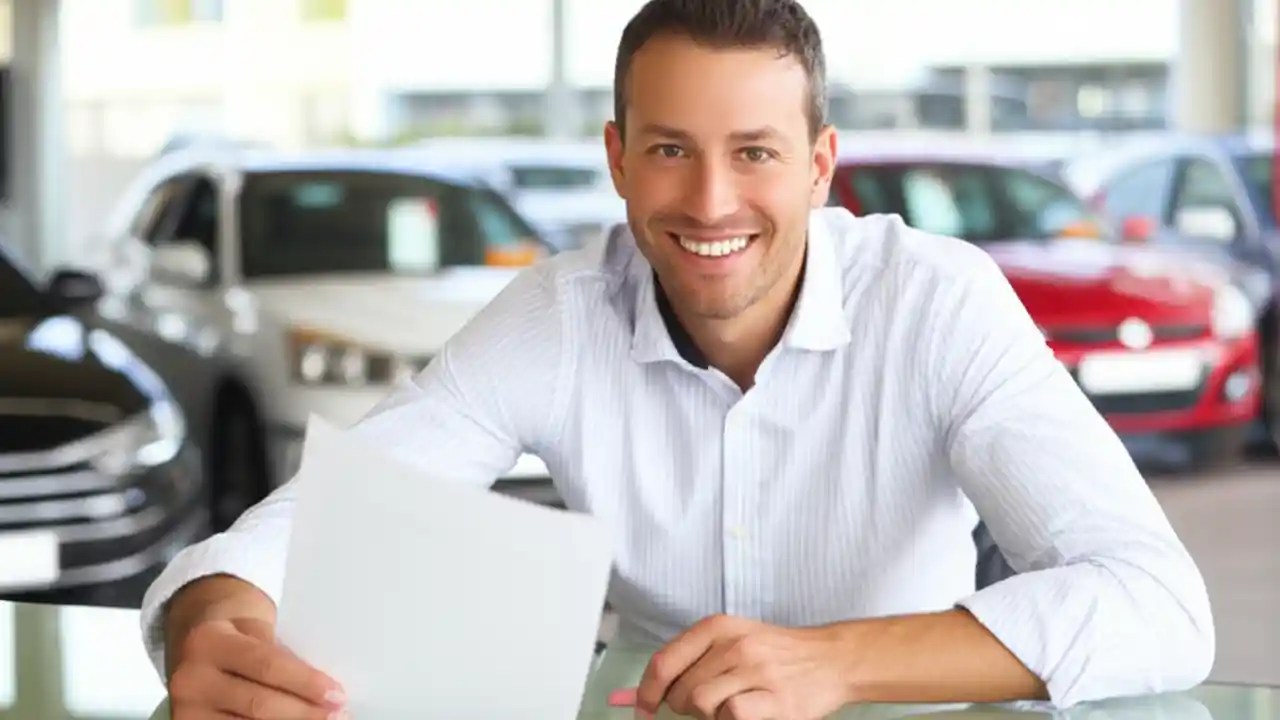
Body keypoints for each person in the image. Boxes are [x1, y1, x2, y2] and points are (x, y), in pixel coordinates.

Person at [143, 1, 1215, 718]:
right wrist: (213, 611)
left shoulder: (936, 301)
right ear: (616, 158)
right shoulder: (559, 315)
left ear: (817, 167)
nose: (710, 204)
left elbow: (1156, 606)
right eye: (668, 150)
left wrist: (830, 661)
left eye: (753, 152)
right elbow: (327, 516)